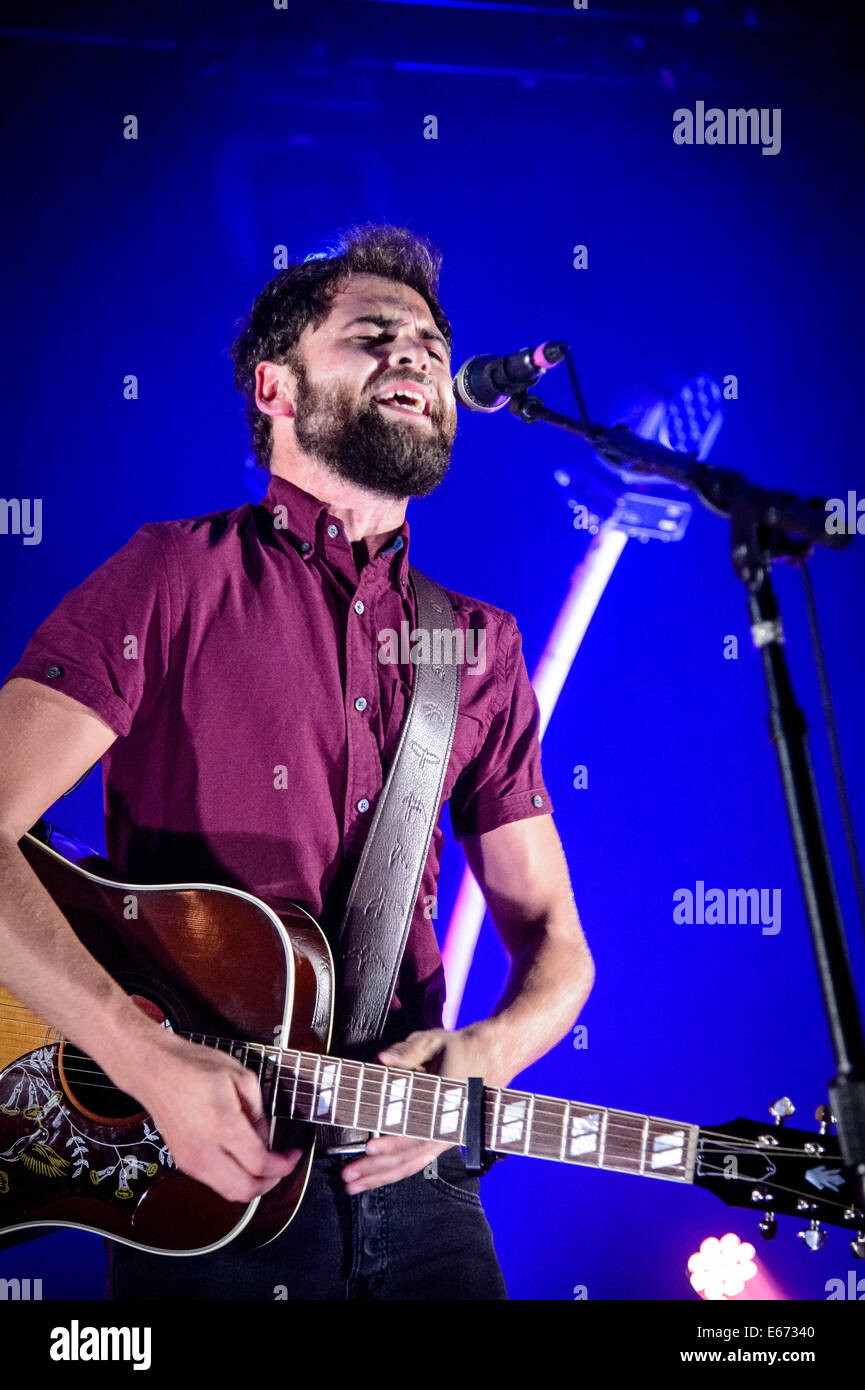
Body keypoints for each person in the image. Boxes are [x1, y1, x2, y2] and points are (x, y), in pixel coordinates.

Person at [0, 223, 594, 1299]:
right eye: (373, 334)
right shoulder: (171, 577)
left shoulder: (478, 646)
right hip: (195, 1174)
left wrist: (490, 1053)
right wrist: (139, 1058)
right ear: (274, 388)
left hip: (418, 1188)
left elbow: (557, 947)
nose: (413, 354)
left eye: (427, 340)